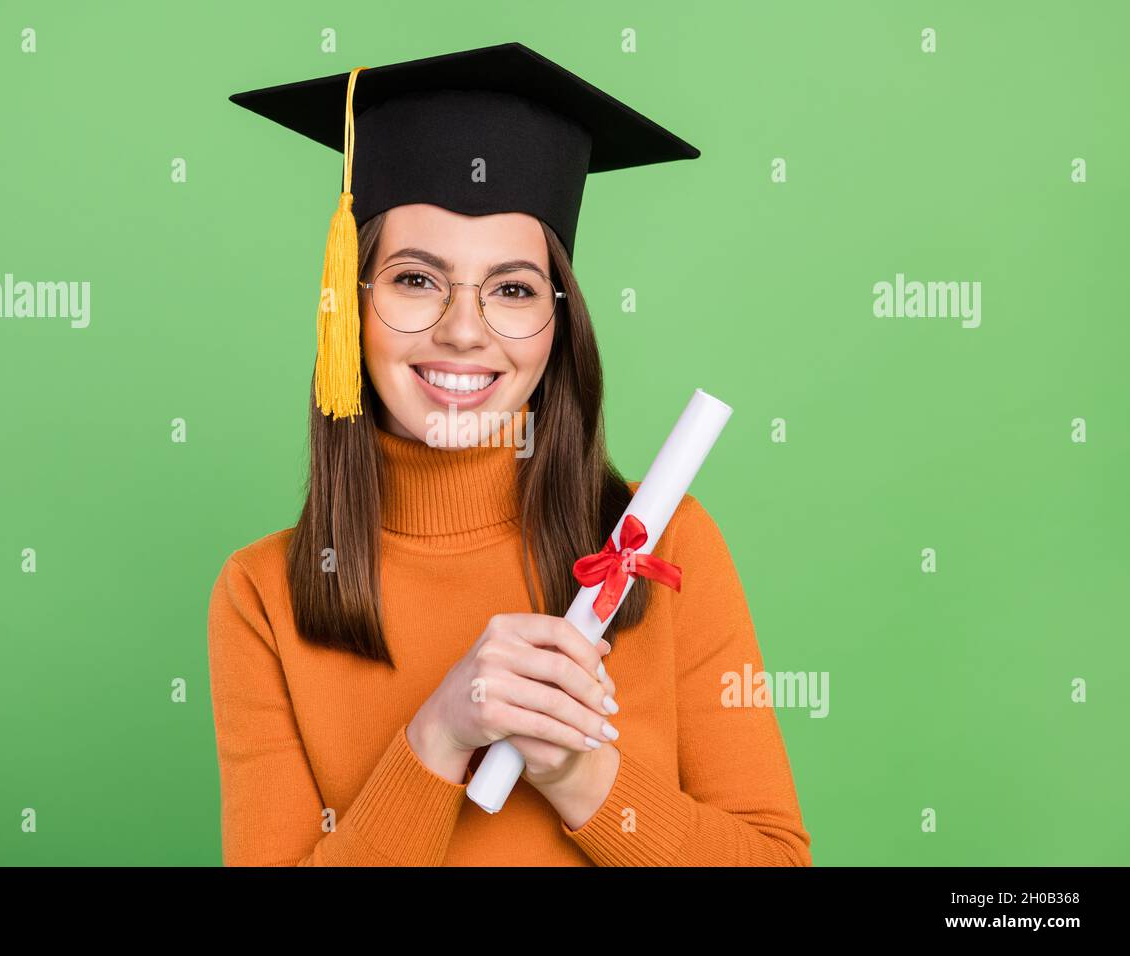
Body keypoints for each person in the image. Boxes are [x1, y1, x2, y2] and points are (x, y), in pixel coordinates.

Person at [208, 42, 811, 866]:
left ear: (559, 322)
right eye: (416, 279)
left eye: (513, 288)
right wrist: (437, 737)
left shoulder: (657, 545)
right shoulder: (265, 596)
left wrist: (580, 774)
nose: (463, 329)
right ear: (350, 306)